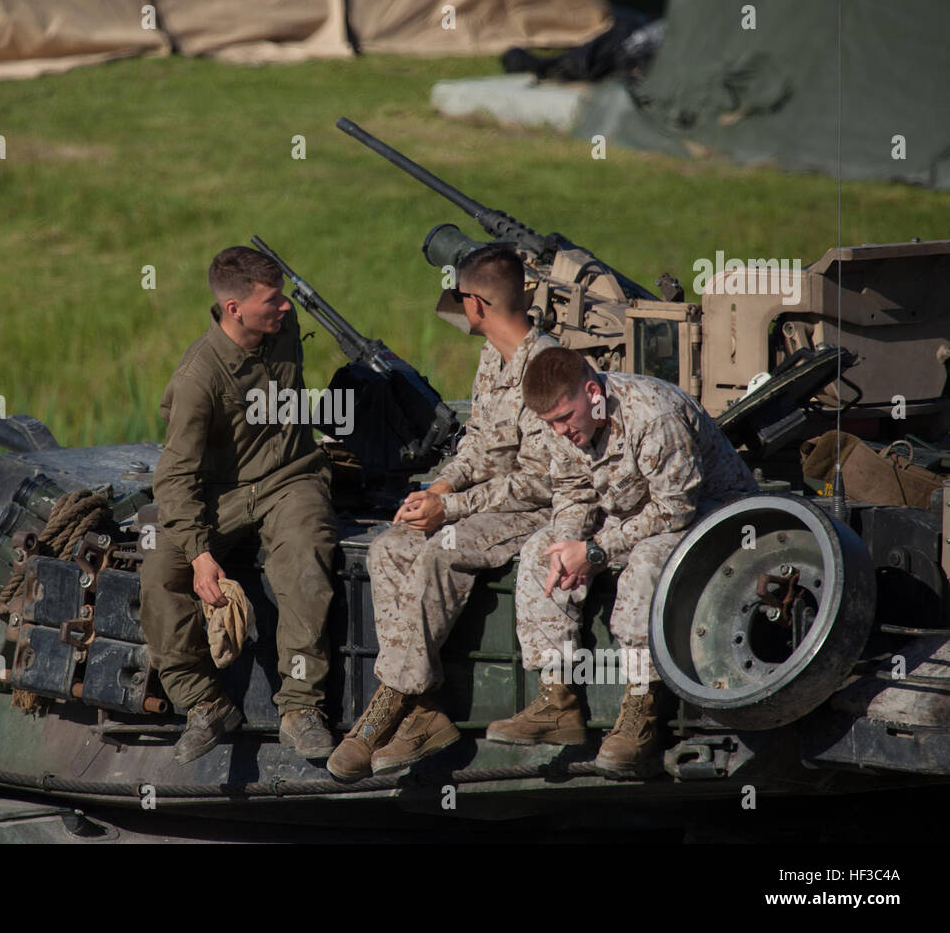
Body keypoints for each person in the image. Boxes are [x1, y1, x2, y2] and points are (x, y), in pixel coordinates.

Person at [327, 246, 559, 782]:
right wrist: (438, 486)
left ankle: (384, 708)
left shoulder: (546, 368)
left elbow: (540, 481)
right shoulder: (492, 358)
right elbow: (479, 442)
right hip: (484, 501)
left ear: (474, 303)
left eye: (459, 299)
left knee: (439, 553)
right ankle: (426, 711)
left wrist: (449, 508)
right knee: (390, 546)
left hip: (534, 509)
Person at [488, 346, 758, 778]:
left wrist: (595, 550)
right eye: (549, 423)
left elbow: (675, 510)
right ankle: (557, 699)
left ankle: (641, 708)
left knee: (647, 563)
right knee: (544, 550)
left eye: (563, 419)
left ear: (592, 392)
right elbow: (573, 491)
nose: (558, 432)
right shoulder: (568, 427)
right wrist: (569, 544)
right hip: (634, 513)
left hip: (712, 515)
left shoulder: (654, 415)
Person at [139, 246, 337, 764]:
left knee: (305, 558)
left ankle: (301, 708)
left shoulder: (283, 329)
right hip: (219, 493)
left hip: (291, 476)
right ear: (234, 310)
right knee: (161, 570)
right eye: (273, 300)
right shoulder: (198, 378)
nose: (286, 308)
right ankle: (204, 703)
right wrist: (201, 554)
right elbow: (175, 476)